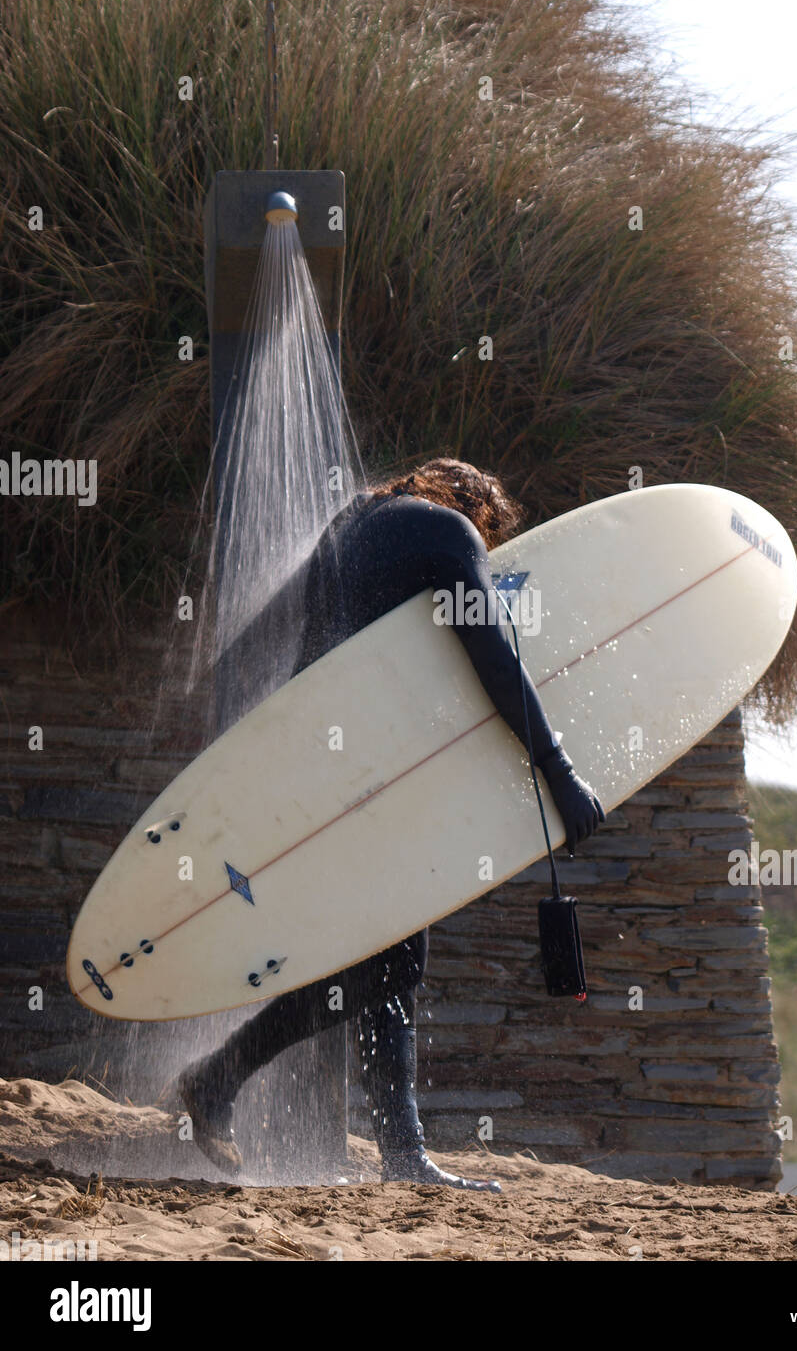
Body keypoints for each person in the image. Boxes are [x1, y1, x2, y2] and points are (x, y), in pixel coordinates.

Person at [178, 458, 604, 1191]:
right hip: (363, 774)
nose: (486, 546)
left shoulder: (355, 524)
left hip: (321, 762)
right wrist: (559, 776)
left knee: (383, 958)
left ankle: (393, 1151)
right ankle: (220, 1078)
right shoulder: (447, 530)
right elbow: (494, 658)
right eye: (491, 538)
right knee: (392, 961)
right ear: (480, 509)